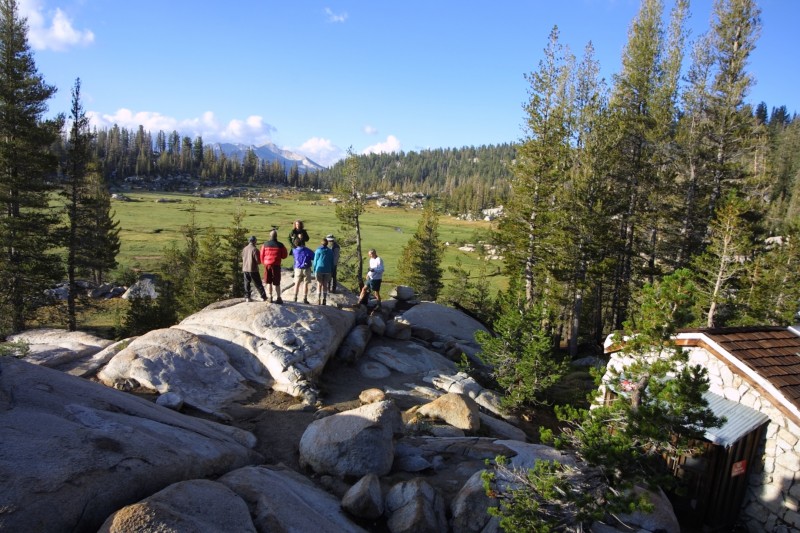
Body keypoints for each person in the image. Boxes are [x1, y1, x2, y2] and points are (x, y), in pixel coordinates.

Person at [259, 229, 288, 303]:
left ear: (270, 236)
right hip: (276, 265)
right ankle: (279, 298)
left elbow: (261, 255)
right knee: (277, 282)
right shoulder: (280, 245)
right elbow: (284, 255)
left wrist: (264, 263)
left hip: (267, 265)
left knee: (269, 282)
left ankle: (270, 297)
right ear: (276, 236)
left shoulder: (265, 244)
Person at [241, 235, 267, 303]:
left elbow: (242, 258)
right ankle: (264, 297)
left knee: (246, 283)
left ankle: (247, 297)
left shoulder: (244, 249)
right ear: (255, 241)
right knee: (258, 284)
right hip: (253, 269)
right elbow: (258, 261)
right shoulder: (255, 249)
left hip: (245, 268)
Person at [311, 238, 334, 306]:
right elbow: (332, 262)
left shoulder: (318, 251)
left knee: (319, 284)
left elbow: (315, 261)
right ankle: (324, 299)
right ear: (327, 244)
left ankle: (318, 299)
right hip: (328, 269)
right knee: (325, 284)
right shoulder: (330, 251)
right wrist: (331, 269)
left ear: (321, 243)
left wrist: (314, 269)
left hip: (319, 269)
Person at [291, 237, 314, 304]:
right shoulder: (308, 250)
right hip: (306, 268)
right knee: (305, 284)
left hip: (297, 268)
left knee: (297, 283)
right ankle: (305, 298)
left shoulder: (294, 251)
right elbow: (313, 257)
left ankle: (295, 298)